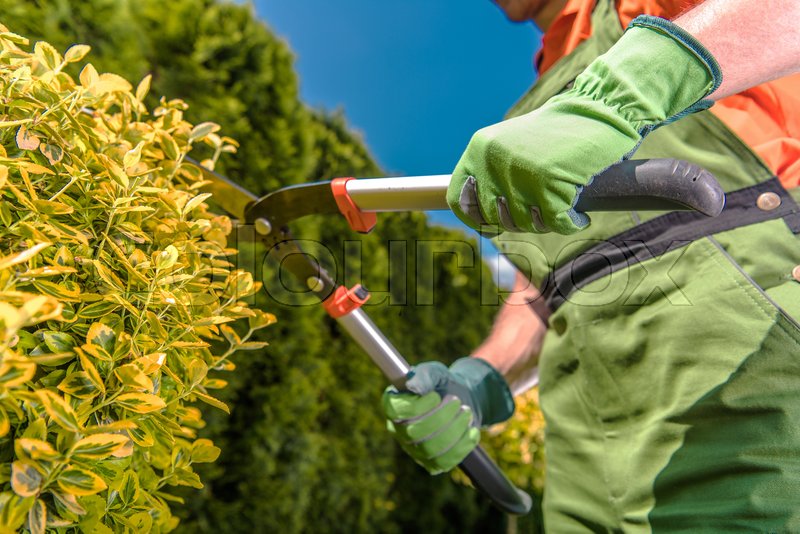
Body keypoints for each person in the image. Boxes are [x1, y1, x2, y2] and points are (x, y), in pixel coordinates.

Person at [382, 0, 800, 530]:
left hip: (747, 380)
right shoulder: (521, 125)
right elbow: (544, 287)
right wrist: (479, 378)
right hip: (585, 448)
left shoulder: (644, 10)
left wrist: (622, 96)